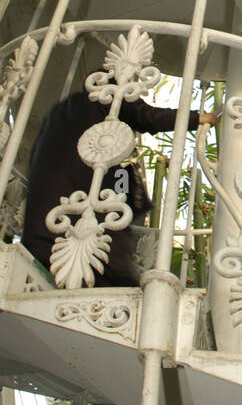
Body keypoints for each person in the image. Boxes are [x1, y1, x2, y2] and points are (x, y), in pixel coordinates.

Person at [21, 92, 216, 287]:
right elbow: (146, 116)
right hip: (91, 251)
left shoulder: (62, 114)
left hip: (42, 234)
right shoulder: (110, 97)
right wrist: (198, 118)